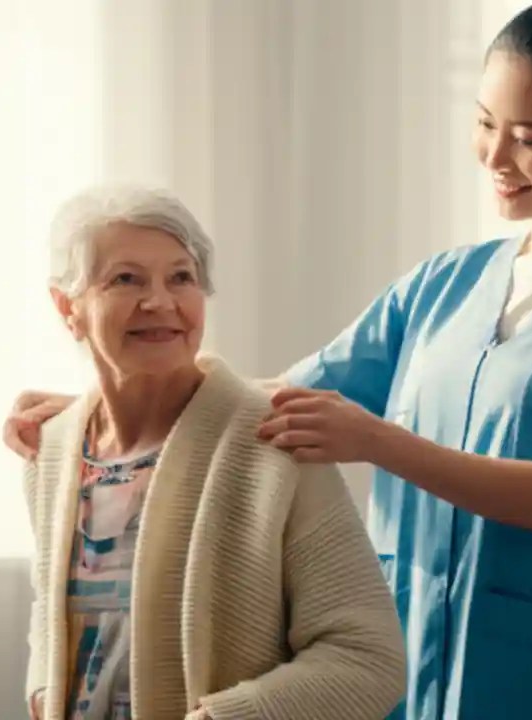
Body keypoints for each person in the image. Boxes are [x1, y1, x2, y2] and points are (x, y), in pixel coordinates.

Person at [8, 1, 532, 718]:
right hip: (408, 666)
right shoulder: (445, 284)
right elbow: (271, 403)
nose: (495, 158)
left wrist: (377, 442)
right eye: (484, 124)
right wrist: (109, 404)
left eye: (528, 139)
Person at [20, 184, 405, 720]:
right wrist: (44, 692)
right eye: (126, 279)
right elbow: (53, 611)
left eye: (181, 277)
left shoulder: (276, 442)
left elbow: (367, 659)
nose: (161, 302)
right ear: (68, 308)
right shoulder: (52, 451)